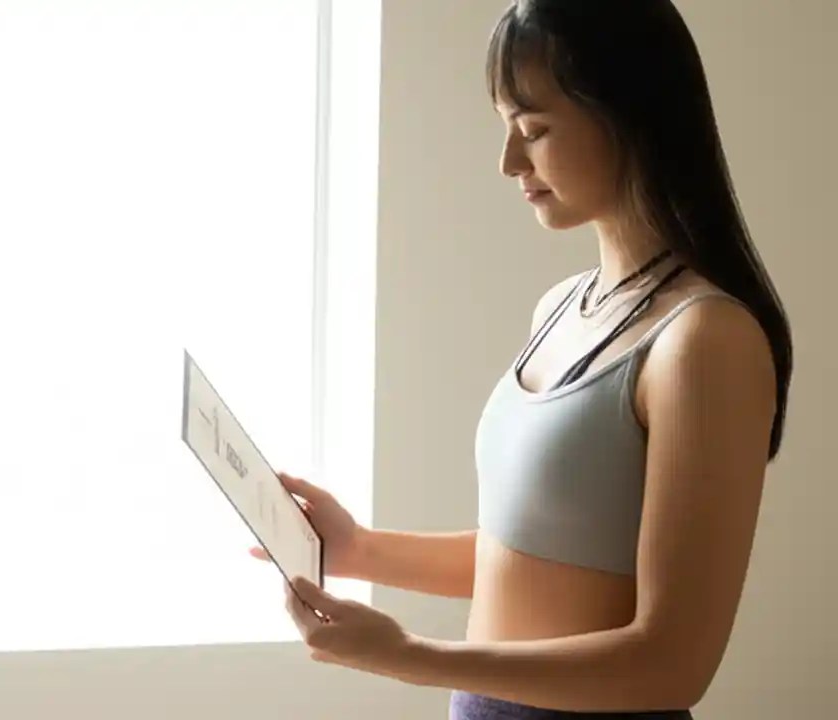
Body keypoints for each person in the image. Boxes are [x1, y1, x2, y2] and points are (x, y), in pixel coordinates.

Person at [250, 1, 793, 718]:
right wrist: (359, 550)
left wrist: (410, 656)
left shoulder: (705, 341)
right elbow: (538, 558)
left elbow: (672, 663)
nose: (509, 162)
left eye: (533, 130)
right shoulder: (562, 308)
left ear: (630, 116)